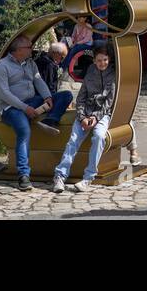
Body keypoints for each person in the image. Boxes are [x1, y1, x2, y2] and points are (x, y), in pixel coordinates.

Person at [0, 36, 68, 191]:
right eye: (29, 47)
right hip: (11, 108)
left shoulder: (30, 63)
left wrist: (47, 96)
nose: (32, 50)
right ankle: (23, 175)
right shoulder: (1, 66)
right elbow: (4, 94)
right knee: (24, 130)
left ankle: (49, 121)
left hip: (32, 101)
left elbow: (38, 81)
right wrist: (24, 108)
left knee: (65, 95)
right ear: (19, 50)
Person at [52, 44, 116, 193]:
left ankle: (88, 178)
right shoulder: (90, 72)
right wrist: (82, 117)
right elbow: (81, 97)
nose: (102, 63)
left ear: (109, 59)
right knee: (73, 140)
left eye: (105, 60)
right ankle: (60, 176)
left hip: (103, 114)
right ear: (94, 60)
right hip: (85, 112)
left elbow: (109, 102)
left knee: (99, 136)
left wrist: (95, 117)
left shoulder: (113, 75)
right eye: (99, 60)